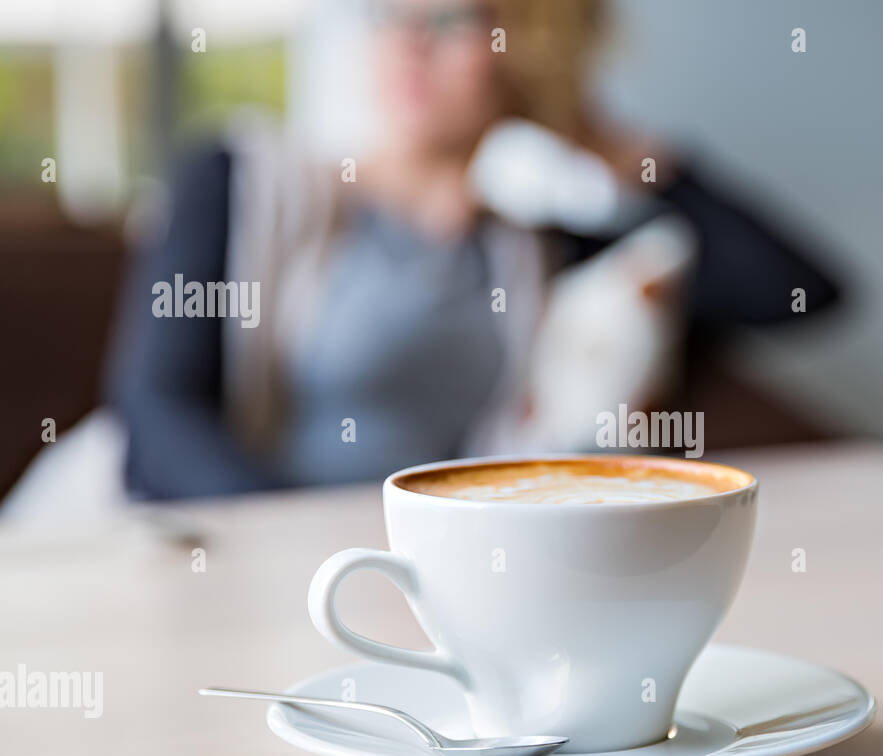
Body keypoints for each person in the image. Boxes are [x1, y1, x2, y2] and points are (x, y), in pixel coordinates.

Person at [106, 0, 842, 500]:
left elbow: (798, 290)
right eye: (392, 13)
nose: (410, 44)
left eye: (455, 19)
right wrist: (324, 559)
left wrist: (599, 138)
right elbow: (157, 414)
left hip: (424, 586)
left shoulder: (548, 240)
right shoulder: (248, 182)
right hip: (238, 552)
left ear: (522, 49)